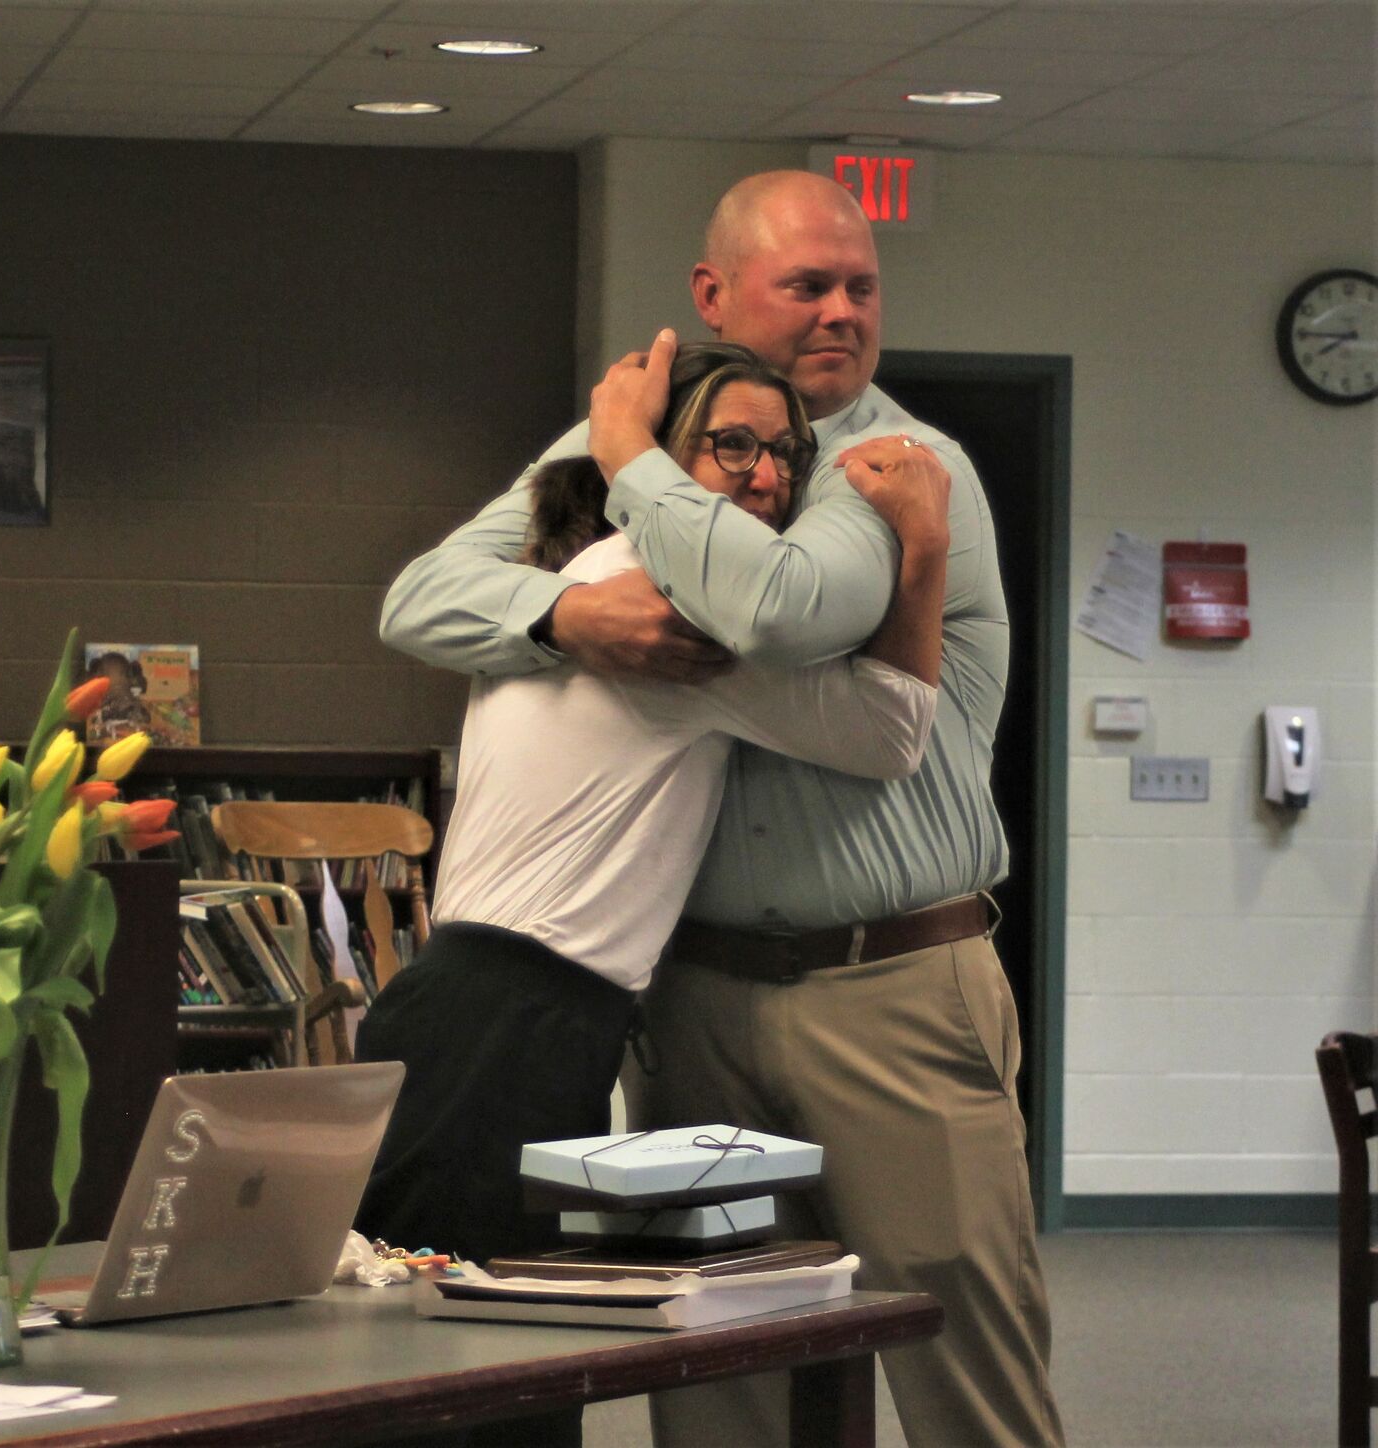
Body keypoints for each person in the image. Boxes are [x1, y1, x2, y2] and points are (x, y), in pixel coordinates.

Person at [380, 170, 1063, 1448]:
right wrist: (560, 611)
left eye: (860, 287)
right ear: (711, 295)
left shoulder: (892, 466)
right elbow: (420, 597)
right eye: (805, 284)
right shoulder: (643, 462)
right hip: (688, 993)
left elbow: (781, 611)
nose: (840, 312)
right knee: (716, 1373)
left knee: (963, 1360)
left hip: (890, 986)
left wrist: (635, 460)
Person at [357, 342, 947, 1448]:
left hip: (498, 1010)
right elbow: (890, 730)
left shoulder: (582, 576)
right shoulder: (670, 599)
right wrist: (924, 546)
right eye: (730, 445)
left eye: (783, 452)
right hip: (507, 1022)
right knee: (472, 1389)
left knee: (480, 1373)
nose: (764, 475)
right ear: (658, 461)